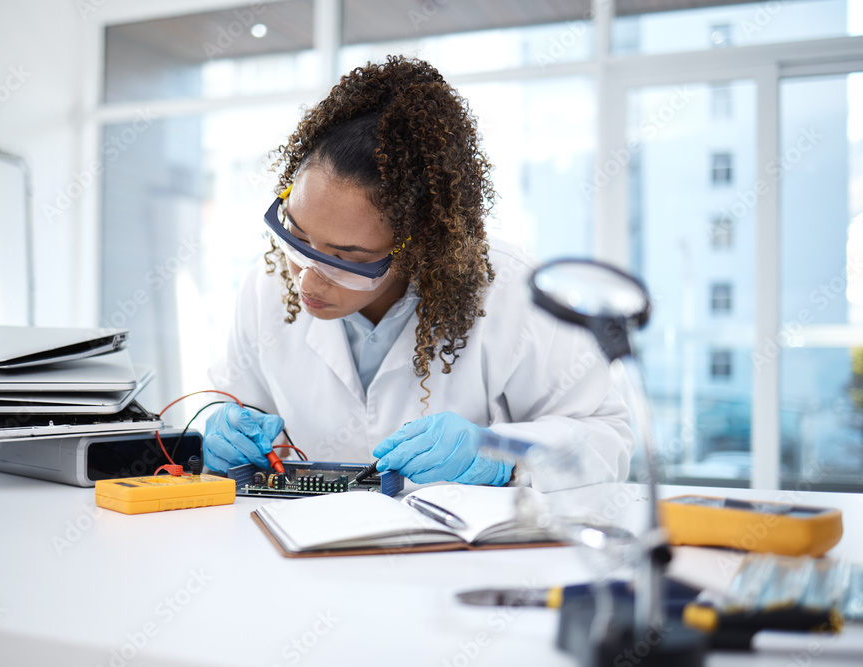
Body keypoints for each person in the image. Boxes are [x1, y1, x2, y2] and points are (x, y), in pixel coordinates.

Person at [205, 55, 633, 491]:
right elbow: (242, 408)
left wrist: (501, 453)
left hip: (466, 554)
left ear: (419, 244)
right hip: (301, 546)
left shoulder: (511, 294)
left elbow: (606, 440)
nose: (306, 281)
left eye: (347, 259)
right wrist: (230, 434)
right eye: (296, 236)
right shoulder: (265, 285)